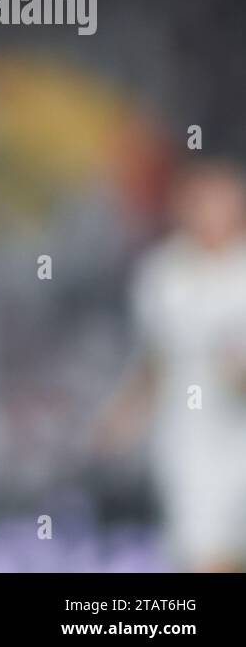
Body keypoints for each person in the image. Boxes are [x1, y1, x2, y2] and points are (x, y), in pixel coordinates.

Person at [95, 156, 246, 572]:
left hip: (240, 429)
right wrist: (125, 414)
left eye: (223, 200)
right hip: (191, 438)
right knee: (206, 552)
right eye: (202, 200)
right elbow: (155, 357)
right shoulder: (164, 274)